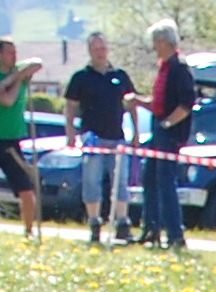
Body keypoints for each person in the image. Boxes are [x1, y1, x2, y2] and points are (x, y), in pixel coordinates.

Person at [63, 30, 139, 246]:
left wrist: (135, 132)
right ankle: (95, 223)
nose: (100, 52)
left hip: (117, 138)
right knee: (91, 182)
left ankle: (122, 223)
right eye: (96, 49)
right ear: (89, 51)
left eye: (103, 48)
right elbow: (70, 107)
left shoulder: (120, 76)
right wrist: (71, 132)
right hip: (92, 139)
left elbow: (131, 104)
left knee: (120, 182)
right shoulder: (81, 78)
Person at [0, 38, 40, 242]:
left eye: (15, 52)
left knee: (26, 189)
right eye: (9, 52)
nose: (14, 56)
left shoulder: (19, 75)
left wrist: (17, 75)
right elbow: (6, 100)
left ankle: (28, 232)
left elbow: (37, 63)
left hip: (13, 141)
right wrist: (16, 80)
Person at [144, 22, 197, 251]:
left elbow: (186, 104)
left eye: (156, 42)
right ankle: (151, 229)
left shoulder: (179, 69)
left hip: (169, 134)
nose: (154, 47)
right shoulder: (164, 68)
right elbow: (159, 103)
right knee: (150, 179)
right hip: (158, 129)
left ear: (165, 42)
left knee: (166, 183)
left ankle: (175, 234)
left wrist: (167, 124)